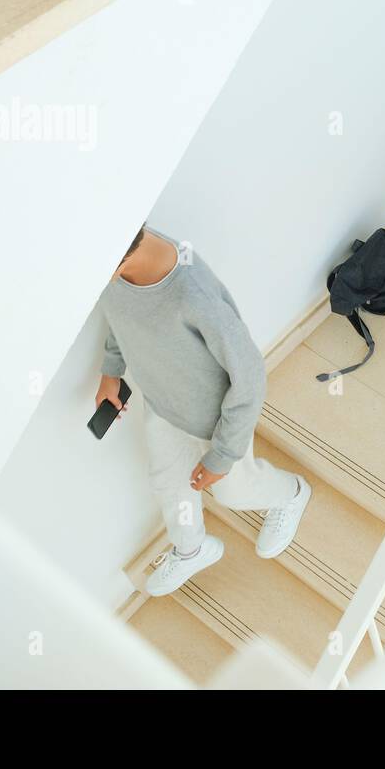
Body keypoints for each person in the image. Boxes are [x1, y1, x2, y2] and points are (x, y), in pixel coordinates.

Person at [95, 224, 311, 596]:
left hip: (213, 420)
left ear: (118, 254)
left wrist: (223, 454)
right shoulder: (111, 265)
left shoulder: (192, 295)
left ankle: (291, 492)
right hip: (163, 405)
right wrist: (110, 372)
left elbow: (251, 375)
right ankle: (191, 549)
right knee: (167, 483)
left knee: (233, 492)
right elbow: (121, 315)